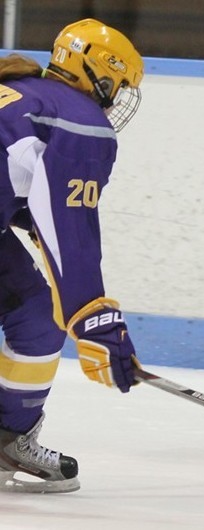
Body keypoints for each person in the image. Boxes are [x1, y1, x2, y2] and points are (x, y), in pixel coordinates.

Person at [0, 18, 144, 493]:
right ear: (101, 74)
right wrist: (92, 314)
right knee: (44, 314)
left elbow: (31, 204)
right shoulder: (80, 120)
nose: (117, 100)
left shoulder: (24, 91)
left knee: (37, 315)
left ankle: (8, 435)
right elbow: (69, 229)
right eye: (120, 86)